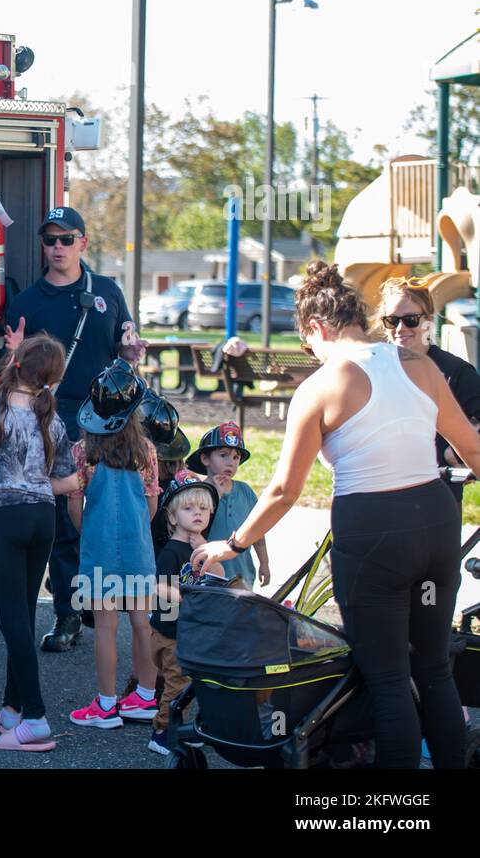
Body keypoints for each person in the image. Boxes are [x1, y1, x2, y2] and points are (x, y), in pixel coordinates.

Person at [193, 261, 480, 769]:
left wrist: (231, 544)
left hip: (373, 531)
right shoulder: (419, 364)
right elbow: (473, 452)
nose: (310, 355)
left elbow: (284, 490)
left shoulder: (322, 387)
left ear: (318, 329)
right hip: (436, 519)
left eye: (308, 346)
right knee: (435, 669)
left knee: (388, 677)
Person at [4, 206, 145, 652]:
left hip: (105, 420)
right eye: (51, 240)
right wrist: (10, 355)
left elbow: (125, 351)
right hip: (51, 415)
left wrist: (132, 354)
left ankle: (98, 600)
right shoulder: (26, 303)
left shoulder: (107, 291)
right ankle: (67, 613)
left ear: (83, 242)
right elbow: (10, 371)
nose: (58, 247)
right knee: (63, 513)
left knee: (104, 510)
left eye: (67, 239)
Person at [0, 335, 79, 752]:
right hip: (42, 516)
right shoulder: (53, 420)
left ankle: (37, 717)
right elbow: (64, 481)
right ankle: (11, 708)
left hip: (3, 517)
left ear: (15, 363)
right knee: (23, 613)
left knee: (11, 620)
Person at [66, 359, 163, 729]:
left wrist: (89, 530)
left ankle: (106, 705)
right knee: (142, 623)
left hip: (99, 550)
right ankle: (145, 698)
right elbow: (152, 504)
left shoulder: (83, 451)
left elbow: (75, 506)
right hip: (138, 549)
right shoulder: (146, 452)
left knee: (105, 627)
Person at [378, 275, 480, 509]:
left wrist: (452, 452)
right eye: (392, 321)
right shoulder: (374, 368)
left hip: (437, 499)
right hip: (380, 497)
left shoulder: (456, 372)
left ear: (429, 321)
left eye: (411, 320)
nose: (401, 328)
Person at [147, 471, 222, 756]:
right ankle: (162, 731)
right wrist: (187, 598)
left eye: (203, 509)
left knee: (189, 683)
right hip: (170, 632)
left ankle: (179, 727)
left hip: (189, 631)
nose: (198, 514)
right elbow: (161, 587)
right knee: (177, 683)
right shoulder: (171, 552)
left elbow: (220, 575)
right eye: (189, 508)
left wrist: (204, 549)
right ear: (173, 516)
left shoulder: (203, 548)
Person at [187, 423, 269, 590]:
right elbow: (193, 530)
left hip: (242, 576)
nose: (230, 463)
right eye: (223, 455)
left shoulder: (245, 491)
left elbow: (258, 532)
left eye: (236, 457)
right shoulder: (196, 492)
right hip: (207, 576)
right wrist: (215, 495)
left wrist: (264, 563)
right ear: (205, 459)